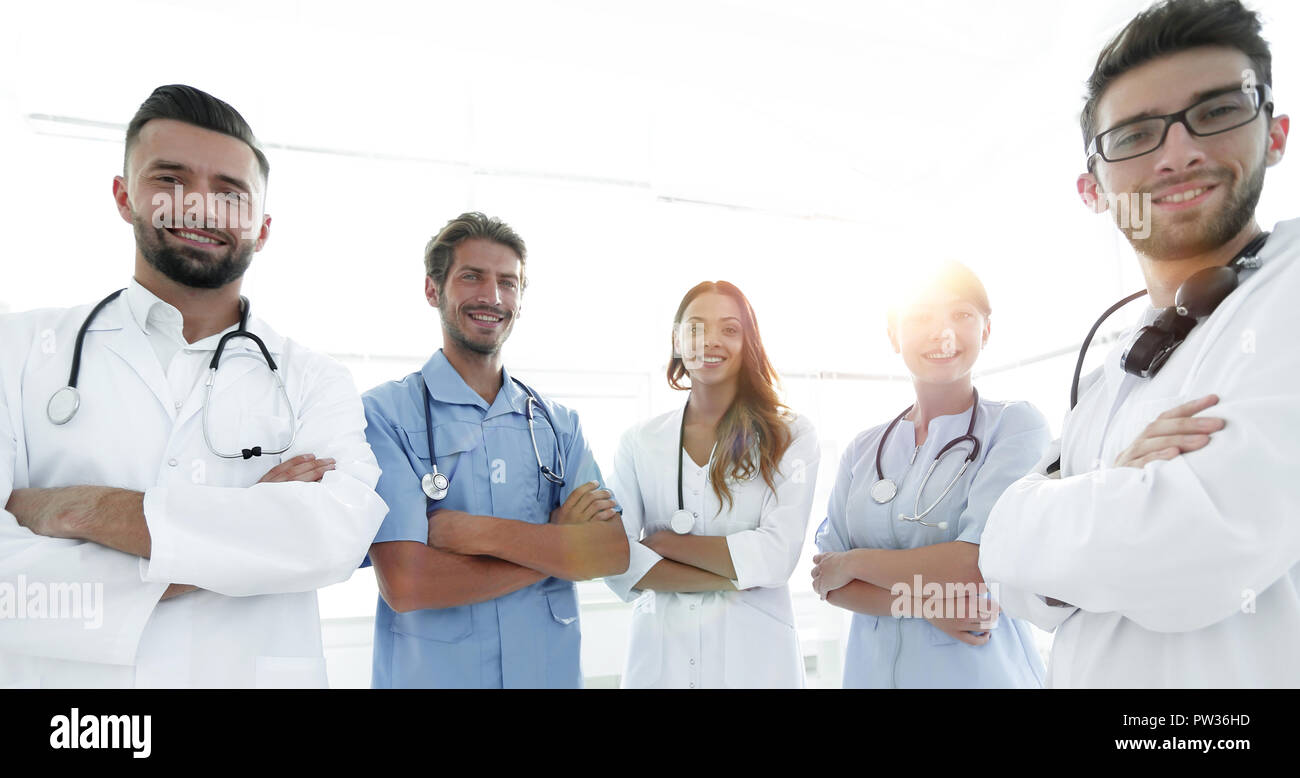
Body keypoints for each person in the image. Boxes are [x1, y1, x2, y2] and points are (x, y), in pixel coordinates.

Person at [0, 85, 387, 688]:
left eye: (230, 193)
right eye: (170, 179)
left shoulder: (316, 380)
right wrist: (243, 542)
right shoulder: (16, 351)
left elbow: (331, 538)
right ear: (125, 197)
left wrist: (79, 509)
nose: (201, 208)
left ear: (261, 227)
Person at [979, 0, 1299, 687]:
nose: (1178, 153)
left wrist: (1030, 514)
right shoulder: (1116, 369)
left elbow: (1195, 551)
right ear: (1092, 190)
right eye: (1135, 136)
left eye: (1215, 112)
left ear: (1275, 134)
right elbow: (1011, 584)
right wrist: (1109, 498)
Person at [363, 212, 629, 689]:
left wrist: (468, 531)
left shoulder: (557, 424)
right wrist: (555, 546)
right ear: (432, 289)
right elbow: (407, 584)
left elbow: (609, 552)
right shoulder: (385, 415)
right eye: (472, 277)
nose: (492, 297)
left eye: (508, 283)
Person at [811, 262, 1048, 688]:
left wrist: (856, 562)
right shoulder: (863, 449)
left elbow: (972, 564)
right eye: (920, 317)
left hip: (979, 673)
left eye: (961, 315)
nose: (943, 333)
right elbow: (828, 582)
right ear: (893, 334)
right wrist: (927, 604)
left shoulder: (1014, 426)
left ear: (986, 331)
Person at [603, 280, 819, 688]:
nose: (711, 341)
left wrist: (668, 546)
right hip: (660, 660)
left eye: (730, 329)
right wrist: (734, 574)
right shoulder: (640, 442)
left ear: (748, 342)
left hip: (754, 660)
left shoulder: (790, 435)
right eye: (697, 327)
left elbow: (776, 556)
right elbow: (615, 558)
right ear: (676, 339)